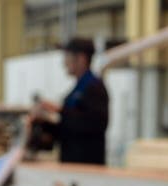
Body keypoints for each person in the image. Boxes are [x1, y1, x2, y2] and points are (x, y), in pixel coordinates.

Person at [29, 37, 109, 165]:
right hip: (72, 163)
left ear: (81, 59)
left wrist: (58, 109)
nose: (64, 63)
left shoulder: (94, 87)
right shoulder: (77, 90)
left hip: (87, 168)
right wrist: (43, 121)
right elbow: (67, 127)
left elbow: (94, 124)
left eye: (67, 57)